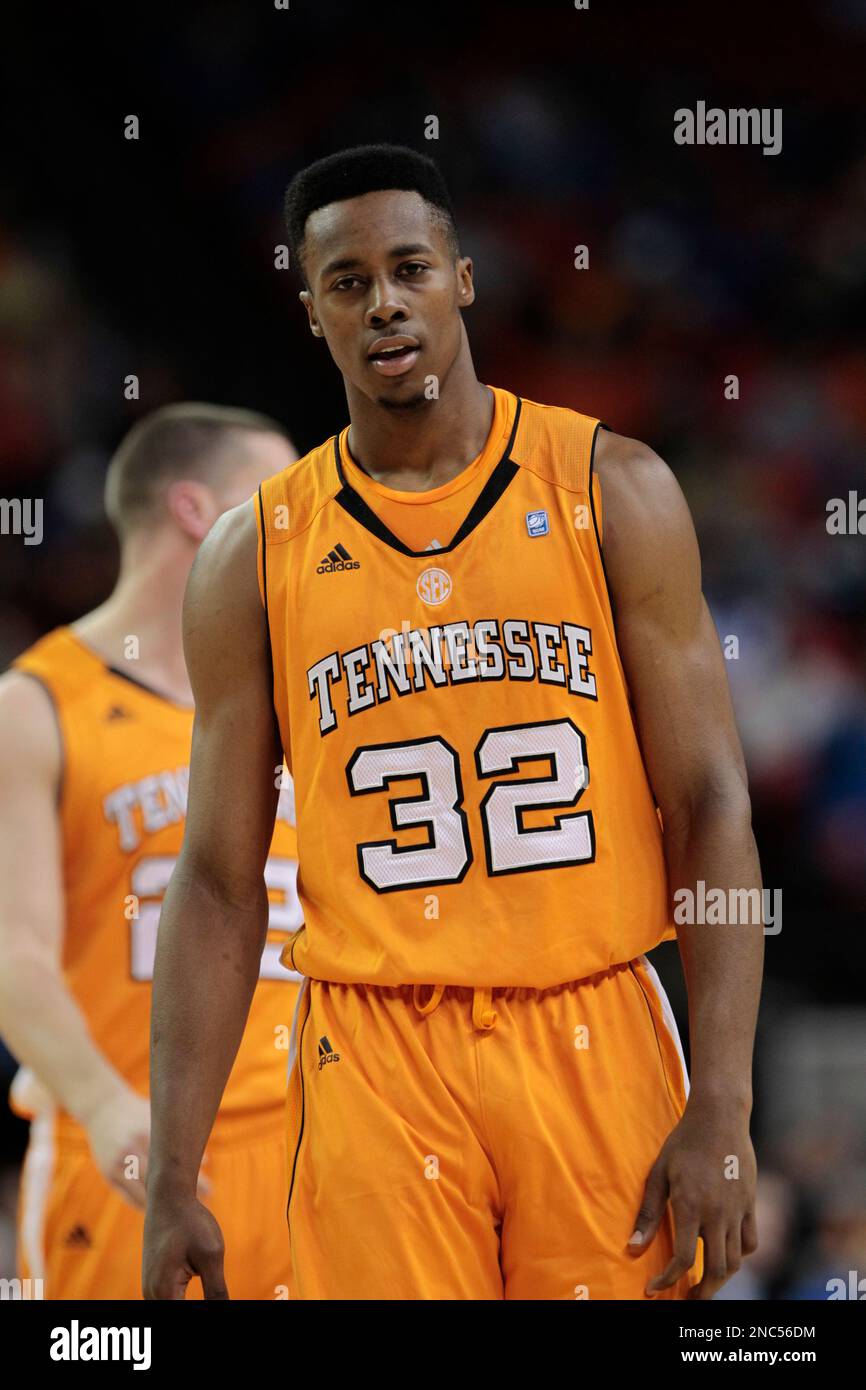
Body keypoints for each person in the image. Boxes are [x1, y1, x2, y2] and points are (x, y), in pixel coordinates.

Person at [144, 146, 762, 1301]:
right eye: (347, 281)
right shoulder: (250, 555)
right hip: (372, 1049)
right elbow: (220, 876)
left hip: (591, 1027)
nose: (382, 301)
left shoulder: (609, 487)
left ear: (462, 280)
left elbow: (710, 802)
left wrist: (722, 1099)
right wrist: (173, 1164)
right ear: (311, 309)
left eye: (408, 268)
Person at [0, 402, 303, 1299]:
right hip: (134, 1155)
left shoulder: (296, 694)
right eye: (274, 497)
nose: (300, 520)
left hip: (316, 1157)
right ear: (195, 510)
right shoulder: (35, 704)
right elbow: (14, 954)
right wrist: (99, 1104)